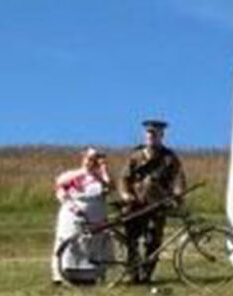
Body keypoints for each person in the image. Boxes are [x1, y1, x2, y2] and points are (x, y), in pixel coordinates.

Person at [121, 118, 187, 284]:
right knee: (132, 239)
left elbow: (179, 177)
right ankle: (132, 274)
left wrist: (178, 194)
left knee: (154, 241)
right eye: (148, 133)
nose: (151, 136)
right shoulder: (135, 156)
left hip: (158, 204)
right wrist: (125, 194)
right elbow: (124, 178)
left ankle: (146, 274)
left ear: (161, 136)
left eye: (154, 134)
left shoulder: (169, 157)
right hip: (136, 204)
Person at [52, 148, 113, 285]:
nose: (90, 162)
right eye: (88, 158)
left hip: (95, 213)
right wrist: (72, 207)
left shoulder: (100, 178)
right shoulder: (71, 175)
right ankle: (63, 275)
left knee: (93, 243)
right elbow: (60, 190)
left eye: (94, 159)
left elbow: (109, 187)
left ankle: (89, 276)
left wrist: (104, 170)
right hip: (73, 214)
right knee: (70, 243)